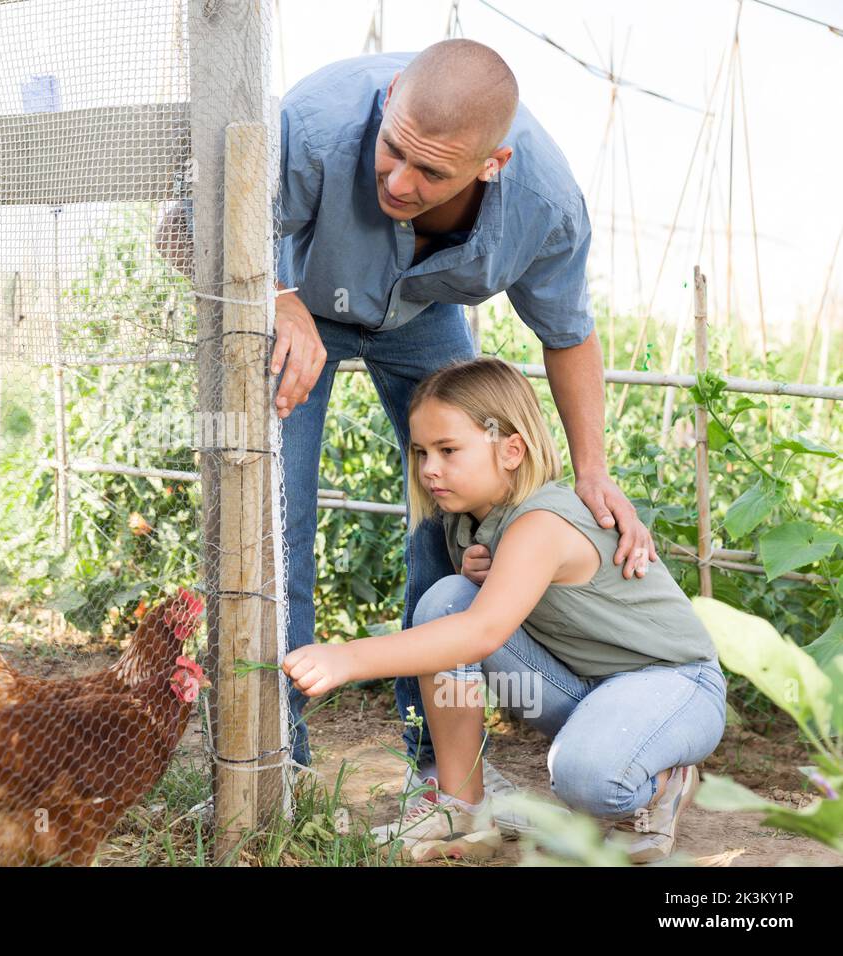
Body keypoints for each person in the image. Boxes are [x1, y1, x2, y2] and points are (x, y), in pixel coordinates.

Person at [267, 39, 658, 776]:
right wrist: (276, 299)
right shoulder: (312, 124)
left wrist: (593, 469)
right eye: (391, 152)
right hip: (296, 307)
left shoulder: (545, 206)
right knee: (274, 521)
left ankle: (436, 756)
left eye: (431, 172)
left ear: (491, 164)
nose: (399, 181)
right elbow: (185, 222)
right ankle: (275, 756)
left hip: (419, 315)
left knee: (458, 515)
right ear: (386, 108)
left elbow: (568, 333)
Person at [281, 357, 727, 864]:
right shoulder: (467, 522)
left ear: (511, 449)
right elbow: (468, 621)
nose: (430, 469)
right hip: (586, 691)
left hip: (675, 685)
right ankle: (464, 805)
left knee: (586, 778)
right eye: (421, 451)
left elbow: (482, 632)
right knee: (447, 601)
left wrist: (349, 657)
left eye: (449, 451)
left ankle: (665, 781)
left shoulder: (542, 522)